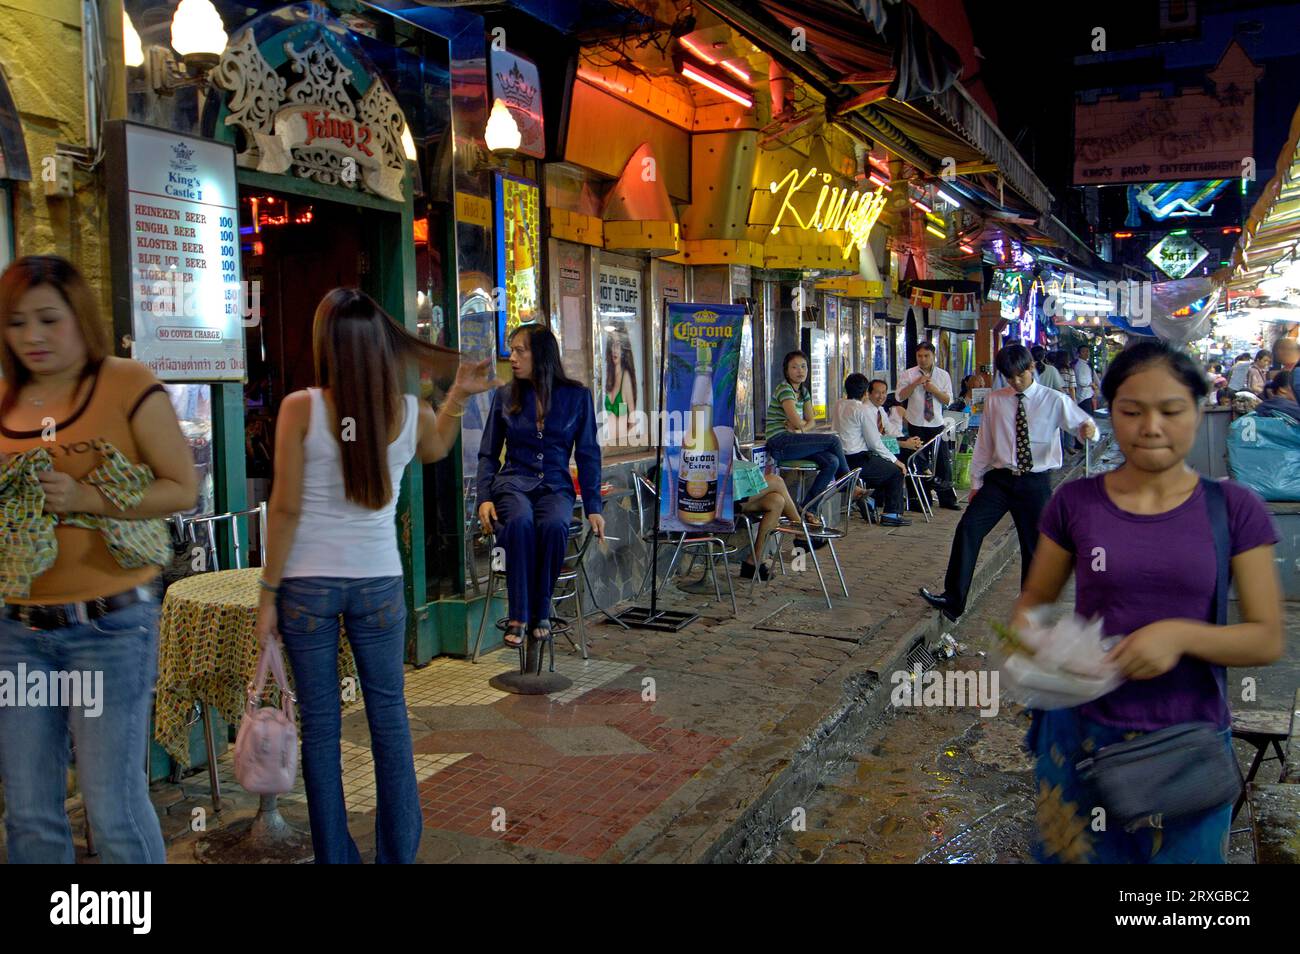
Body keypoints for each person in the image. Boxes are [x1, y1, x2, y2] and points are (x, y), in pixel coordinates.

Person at [1011, 340, 1283, 863]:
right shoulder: (1076, 503)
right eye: (1131, 411)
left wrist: (1179, 636)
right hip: (1084, 742)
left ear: (1199, 412)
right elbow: (1032, 604)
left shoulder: (1235, 508)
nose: (1150, 427)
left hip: (1187, 746)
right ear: (1110, 412)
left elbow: (1266, 636)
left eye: (1171, 411)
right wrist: (1045, 651)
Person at [252, 288, 494, 864]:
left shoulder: (299, 409)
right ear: (382, 348)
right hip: (380, 584)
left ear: (326, 346)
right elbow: (436, 449)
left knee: (322, 729)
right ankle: (396, 856)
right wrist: (457, 392)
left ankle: (337, 858)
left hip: (307, 588)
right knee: (388, 717)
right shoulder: (406, 412)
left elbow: (283, 509)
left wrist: (268, 591)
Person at [0, 256, 198, 863]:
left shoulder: (125, 383)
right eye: (16, 322)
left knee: (111, 809)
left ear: (79, 318)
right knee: (30, 812)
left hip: (109, 628)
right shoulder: (6, 397)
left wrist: (87, 496)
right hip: (17, 632)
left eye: (48, 320)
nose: (32, 336)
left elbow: (180, 487)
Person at [919, 344, 1095, 622]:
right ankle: (953, 599)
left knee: (1033, 547)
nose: (1015, 382)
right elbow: (985, 444)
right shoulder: (995, 400)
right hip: (999, 480)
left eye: (1019, 376)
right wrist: (976, 482)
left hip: (1035, 482)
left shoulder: (1054, 400)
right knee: (968, 528)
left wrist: (1089, 431)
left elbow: (1084, 426)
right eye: (1009, 377)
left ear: (1031, 368)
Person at [477, 324, 605, 654]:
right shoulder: (504, 396)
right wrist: (484, 498)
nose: (513, 357)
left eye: (521, 350)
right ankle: (519, 614)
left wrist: (593, 506)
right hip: (513, 483)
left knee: (554, 525)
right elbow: (489, 453)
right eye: (511, 349)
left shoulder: (577, 397)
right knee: (518, 522)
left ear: (542, 354)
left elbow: (589, 453)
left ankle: (541, 608)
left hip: (555, 486)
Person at [764, 350, 850, 513]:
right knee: (833, 440)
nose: (800, 371)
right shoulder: (785, 390)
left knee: (832, 461)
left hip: (793, 440)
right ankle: (846, 483)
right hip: (779, 443)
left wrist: (799, 430)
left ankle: (809, 507)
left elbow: (811, 422)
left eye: (803, 366)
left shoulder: (803, 392)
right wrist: (801, 425)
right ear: (786, 370)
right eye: (794, 367)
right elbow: (799, 421)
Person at [832, 373, 912, 527]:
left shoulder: (839, 404)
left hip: (842, 458)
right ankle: (891, 514)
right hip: (858, 458)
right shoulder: (862, 410)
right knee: (895, 471)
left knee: (884, 468)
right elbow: (875, 443)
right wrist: (896, 461)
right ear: (866, 393)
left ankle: (869, 499)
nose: (881, 396)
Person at [896, 341, 959, 511]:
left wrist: (934, 390)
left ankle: (947, 498)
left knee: (942, 461)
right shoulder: (908, 374)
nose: (923, 359)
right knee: (917, 461)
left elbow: (948, 400)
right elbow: (900, 396)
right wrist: (915, 383)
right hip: (915, 422)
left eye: (926, 356)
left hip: (936, 422)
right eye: (919, 356)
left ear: (933, 356)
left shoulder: (942, 375)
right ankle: (919, 499)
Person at [601, 330, 638, 446]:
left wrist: (626, 445)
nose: (614, 349)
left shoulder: (625, 378)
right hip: (610, 446)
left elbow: (633, 420)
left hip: (622, 446)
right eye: (612, 344)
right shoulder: (610, 377)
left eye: (618, 345)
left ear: (623, 350)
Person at [1073, 343, 1098, 418]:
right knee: (1086, 419)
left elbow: (1094, 378)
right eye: (1084, 351)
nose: (1086, 353)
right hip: (1083, 397)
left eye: (1087, 351)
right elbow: (1081, 382)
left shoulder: (1087, 364)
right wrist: (1091, 384)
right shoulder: (1079, 365)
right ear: (1079, 354)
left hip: (1088, 395)